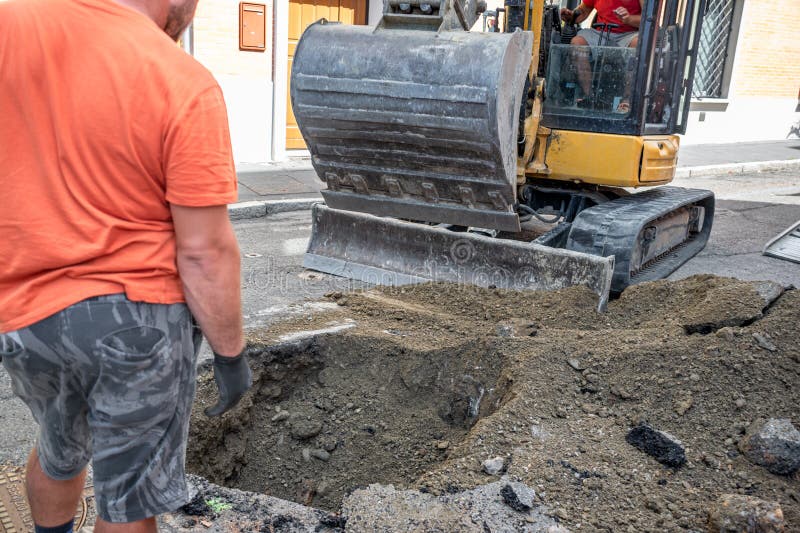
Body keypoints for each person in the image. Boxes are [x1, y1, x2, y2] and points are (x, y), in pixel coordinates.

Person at [0, 0, 252, 531]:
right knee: (130, 499)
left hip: (24, 319)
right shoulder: (182, 80)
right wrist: (231, 355)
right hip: (137, 327)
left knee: (57, 450)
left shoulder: (14, 22)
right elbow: (204, 251)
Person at [561, 0, 644, 111]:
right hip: (601, 32)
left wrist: (629, 19)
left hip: (630, 34)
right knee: (577, 43)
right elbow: (584, 10)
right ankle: (589, 97)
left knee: (638, 46)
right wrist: (571, 16)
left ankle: (627, 101)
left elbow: (649, 19)